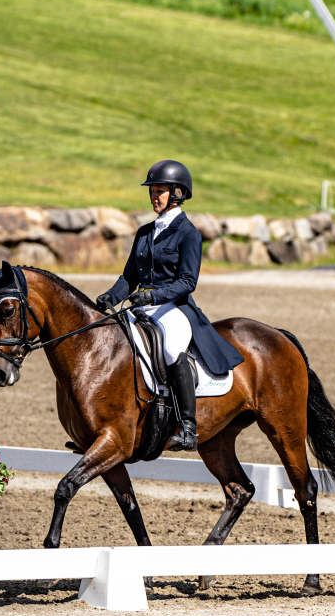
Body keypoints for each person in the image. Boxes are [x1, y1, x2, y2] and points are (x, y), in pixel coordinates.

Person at [97, 160, 245, 450]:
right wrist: (110, 296)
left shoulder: (188, 233)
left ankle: (188, 426)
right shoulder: (144, 232)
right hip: (141, 306)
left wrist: (151, 296)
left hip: (173, 308)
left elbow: (188, 282)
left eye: (161, 191)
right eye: (152, 190)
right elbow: (129, 277)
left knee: (171, 348)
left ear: (177, 193)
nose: (154, 196)